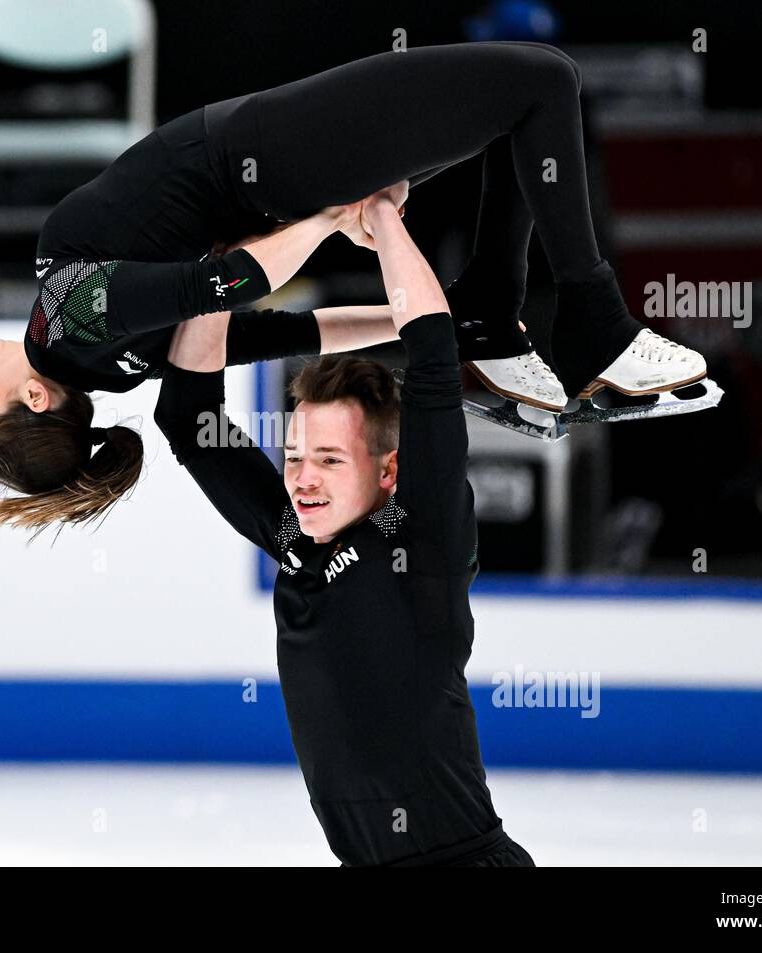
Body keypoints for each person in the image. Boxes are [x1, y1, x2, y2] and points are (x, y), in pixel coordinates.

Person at [0, 41, 704, 534]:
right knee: (541, 86)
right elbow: (235, 283)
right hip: (265, 156)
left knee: (527, 103)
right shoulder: (63, 319)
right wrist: (328, 225)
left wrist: (422, 321)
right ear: (33, 401)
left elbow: (295, 327)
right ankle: (592, 325)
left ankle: (488, 314)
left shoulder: (115, 362)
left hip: (272, 174)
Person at [153, 183, 534, 866]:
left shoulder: (421, 541)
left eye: (329, 459)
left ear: (389, 472)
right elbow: (187, 416)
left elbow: (434, 357)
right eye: (295, 455)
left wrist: (381, 211)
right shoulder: (294, 541)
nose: (302, 478)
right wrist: (223, 269)